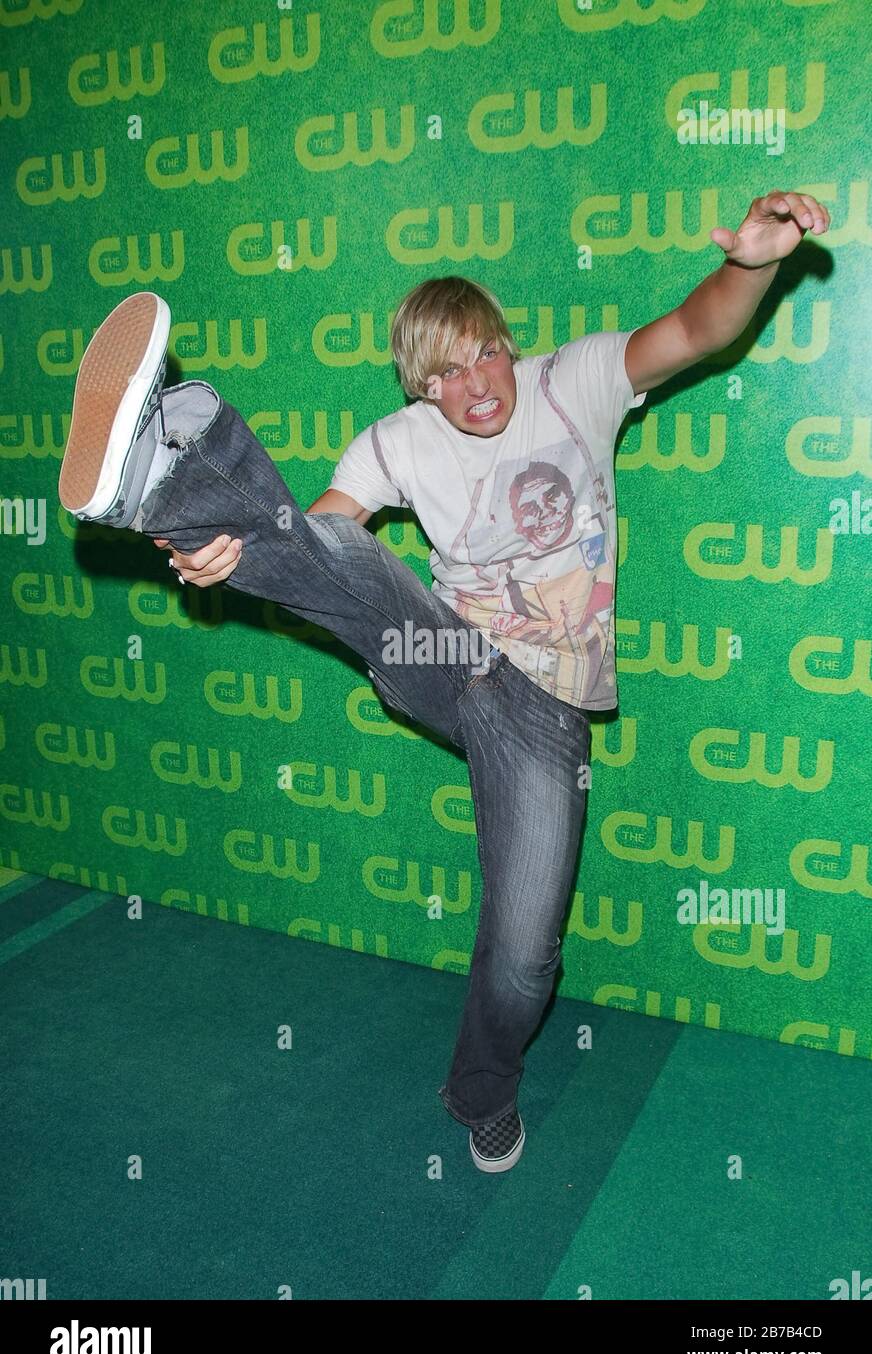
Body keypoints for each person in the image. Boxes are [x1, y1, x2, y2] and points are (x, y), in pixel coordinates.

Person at [57, 190, 830, 1173]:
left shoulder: (576, 381)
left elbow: (693, 327)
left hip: (546, 712)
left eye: (481, 355)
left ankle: (480, 1090)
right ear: (419, 387)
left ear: (505, 342)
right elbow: (324, 547)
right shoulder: (396, 441)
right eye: (443, 374)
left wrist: (752, 262)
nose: (472, 385)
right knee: (338, 552)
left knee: (523, 957)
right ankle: (161, 481)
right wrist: (231, 553)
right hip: (447, 659)